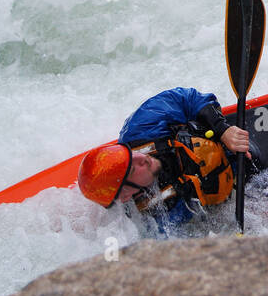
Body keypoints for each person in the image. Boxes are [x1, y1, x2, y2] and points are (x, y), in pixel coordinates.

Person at [77, 87, 252, 229]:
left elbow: (189, 98)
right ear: (125, 195)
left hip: (239, 144)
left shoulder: (142, 126)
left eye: (130, 155)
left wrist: (223, 129)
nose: (141, 158)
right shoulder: (156, 219)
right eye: (132, 168)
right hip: (241, 189)